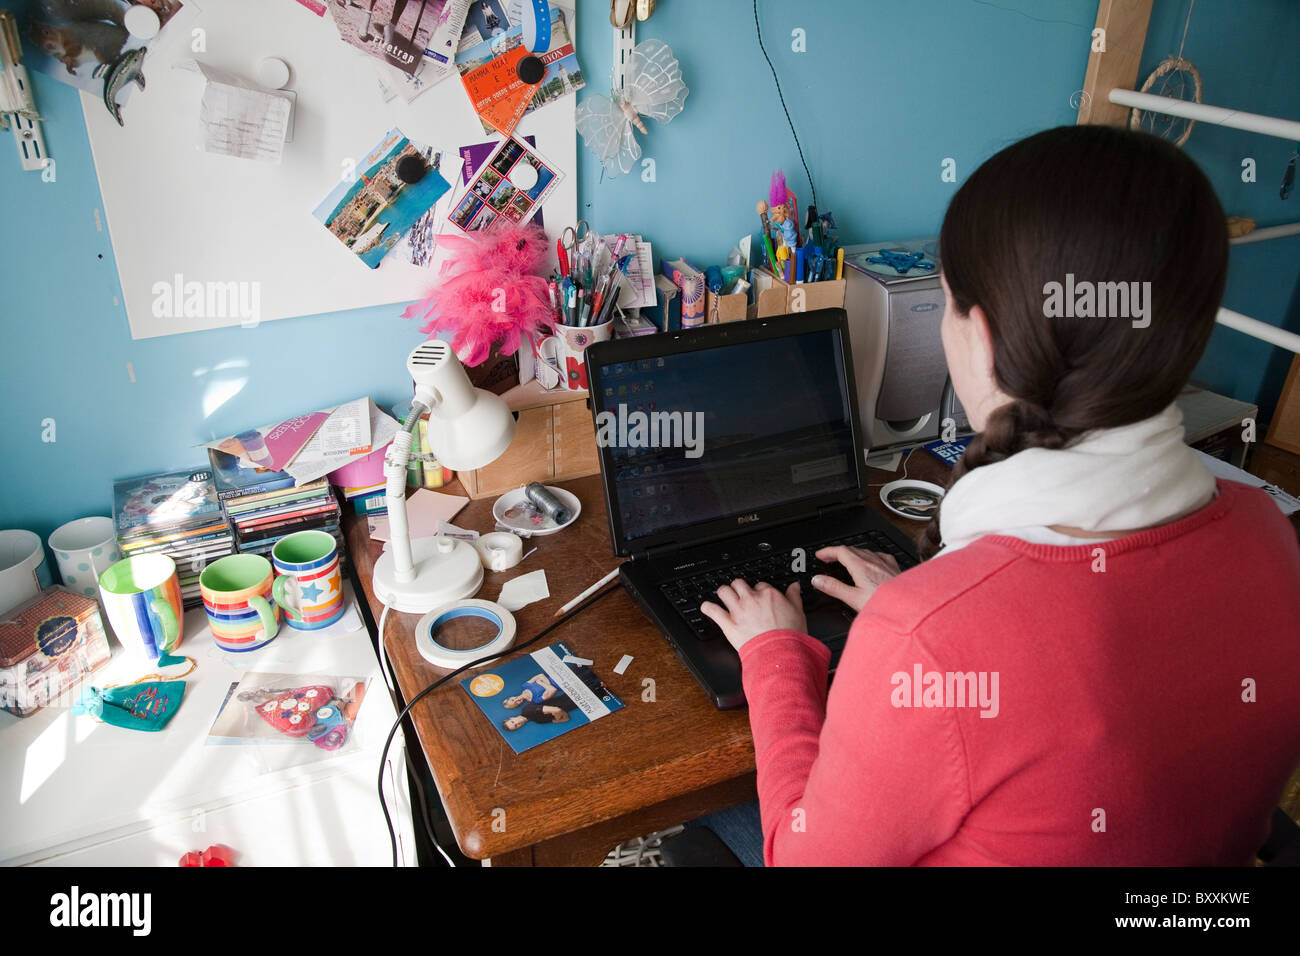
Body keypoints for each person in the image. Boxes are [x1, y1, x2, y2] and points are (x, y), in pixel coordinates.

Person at [699, 125, 1300, 866]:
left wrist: (776, 655)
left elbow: (805, 859)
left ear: (978, 336)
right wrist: (931, 603)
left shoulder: (928, 640)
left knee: (707, 825)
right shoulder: (1268, 533)